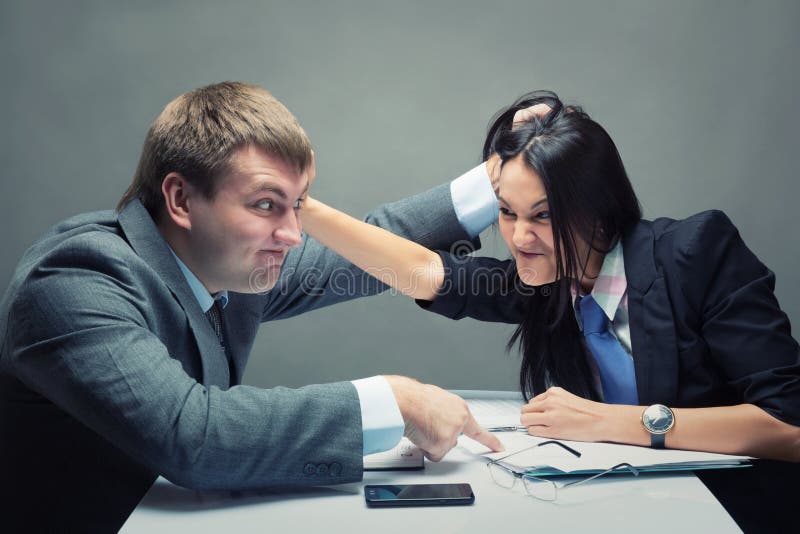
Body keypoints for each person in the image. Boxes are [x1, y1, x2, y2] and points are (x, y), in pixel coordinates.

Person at [0, 81, 502, 532]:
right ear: (180, 200)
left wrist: (501, 180)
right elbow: (192, 435)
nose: (292, 235)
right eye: (266, 204)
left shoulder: (230, 267)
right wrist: (394, 400)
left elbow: (364, 252)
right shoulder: (75, 278)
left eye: (298, 204)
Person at [301, 91, 800, 529]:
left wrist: (610, 421)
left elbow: (790, 427)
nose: (520, 238)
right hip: (625, 510)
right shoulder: (545, 283)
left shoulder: (696, 253)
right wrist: (299, 206)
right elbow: (420, 270)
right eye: (507, 211)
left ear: (599, 207)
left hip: (731, 514)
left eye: (543, 215)